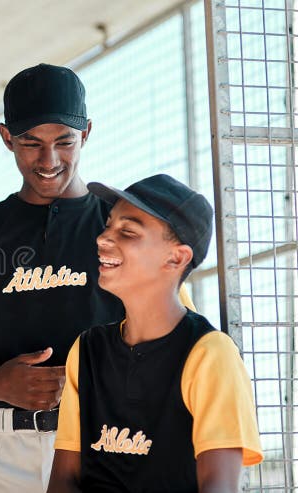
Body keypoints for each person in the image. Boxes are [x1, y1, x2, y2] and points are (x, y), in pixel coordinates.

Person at [0, 64, 194, 492]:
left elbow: (181, 346)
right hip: (2, 455)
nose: (48, 160)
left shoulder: (128, 227)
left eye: (63, 142)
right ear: (7, 137)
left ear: (86, 134)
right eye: (31, 143)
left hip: (110, 443)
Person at [47, 174, 262, 492]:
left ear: (176, 257)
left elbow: (219, 487)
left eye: (128, 232)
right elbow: (64, 481)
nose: (103, 238)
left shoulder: (209, 353)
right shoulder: (87, 350)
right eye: (108, 225)